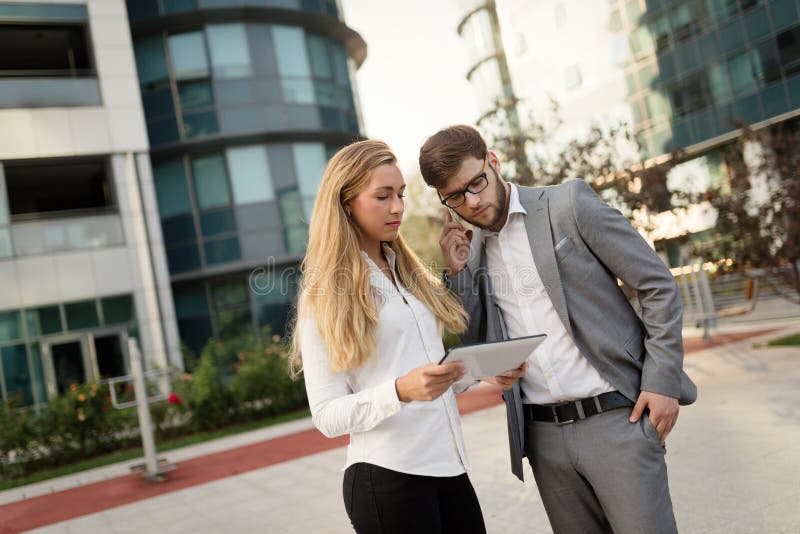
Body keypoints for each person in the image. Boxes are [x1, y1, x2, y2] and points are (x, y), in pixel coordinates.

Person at [418, 125, 698, 534]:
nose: (472, 201)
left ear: (493, 162)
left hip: (617, 419)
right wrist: (457, 274)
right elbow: (477, 345)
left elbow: (657, 285)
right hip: (544, 439)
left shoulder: (568, 204)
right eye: (455, 196)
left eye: (476, 182)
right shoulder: (469, 250)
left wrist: (662, 383)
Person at [290, 140, 513, 534]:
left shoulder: (408, 274)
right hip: (388, 479)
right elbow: (326, 415)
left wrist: (484, 372)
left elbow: (426, 372)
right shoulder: (325, 292)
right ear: (346, 203)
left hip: (449, 468)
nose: (397, 207)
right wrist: (399, 391)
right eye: (383, 196)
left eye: (400, 194)